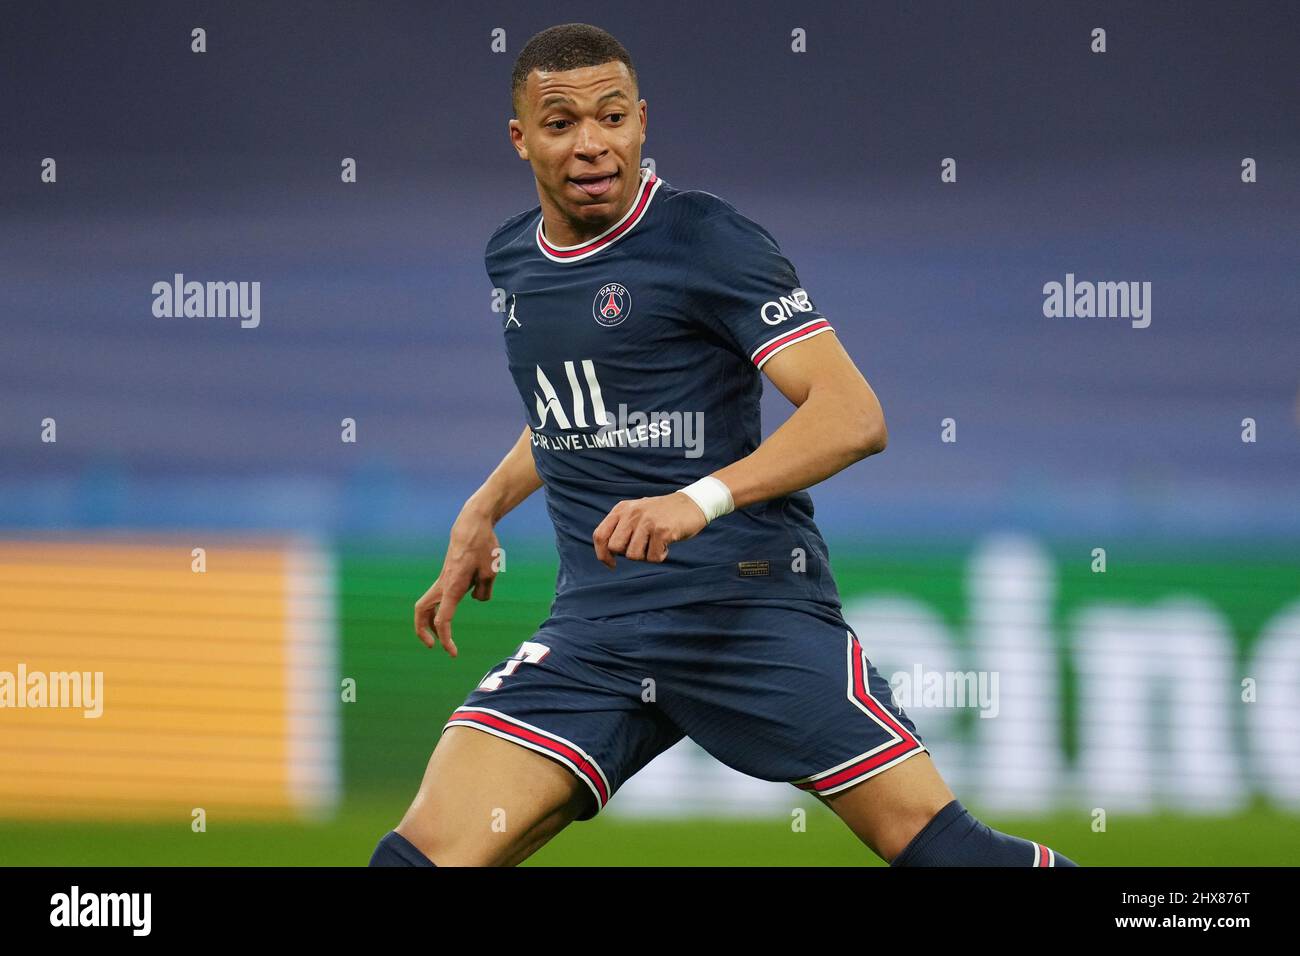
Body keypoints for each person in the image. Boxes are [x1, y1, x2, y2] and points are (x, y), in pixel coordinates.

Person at [370, 23, 1077, 868]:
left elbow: (853, 413)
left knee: (945, 855)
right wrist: (484, 507)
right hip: (598, 632)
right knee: (419, 857)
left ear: (642, 121)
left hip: (741, 610)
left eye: (613, 117)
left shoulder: (707, 239)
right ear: (521, 137)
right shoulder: (514, 260)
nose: (592, 144)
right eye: (561, 124)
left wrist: (696, 501)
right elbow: (581, 408)